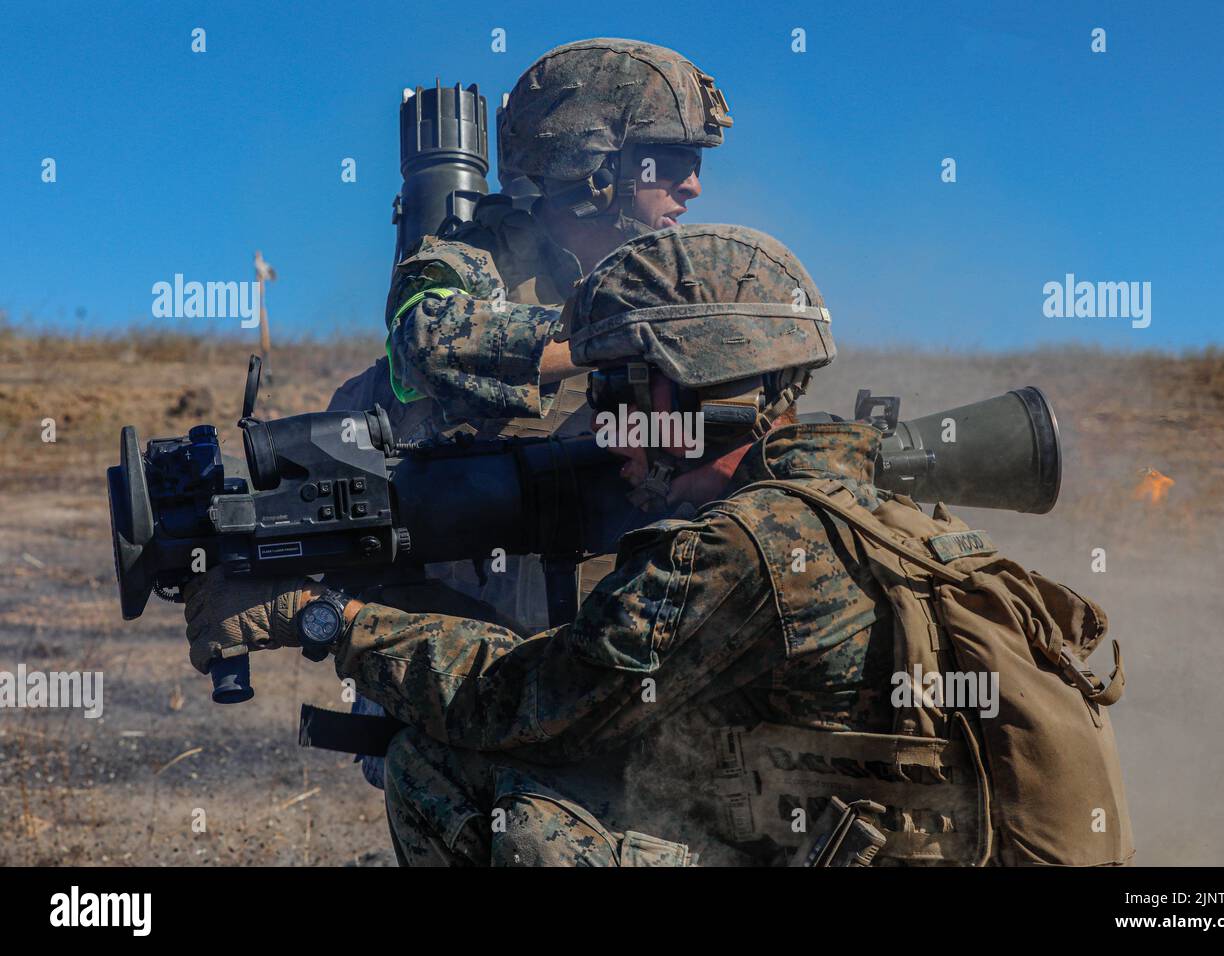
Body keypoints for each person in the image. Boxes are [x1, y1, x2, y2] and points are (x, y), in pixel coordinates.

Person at [186, 225, 1132, 866]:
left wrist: (332, 618)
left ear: (711, 394)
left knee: (448, 772)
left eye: (625, 394)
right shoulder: (877, 499)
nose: (605, 427)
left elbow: (520, 705)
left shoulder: (741, 548)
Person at [324, 39, 733, 784]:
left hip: (617, 645)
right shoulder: (470, 260)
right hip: (477, 653)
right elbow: (426, 344)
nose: (694, 188)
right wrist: (603, 344)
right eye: (671, 162)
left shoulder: (667, 275)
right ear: (595, 167)